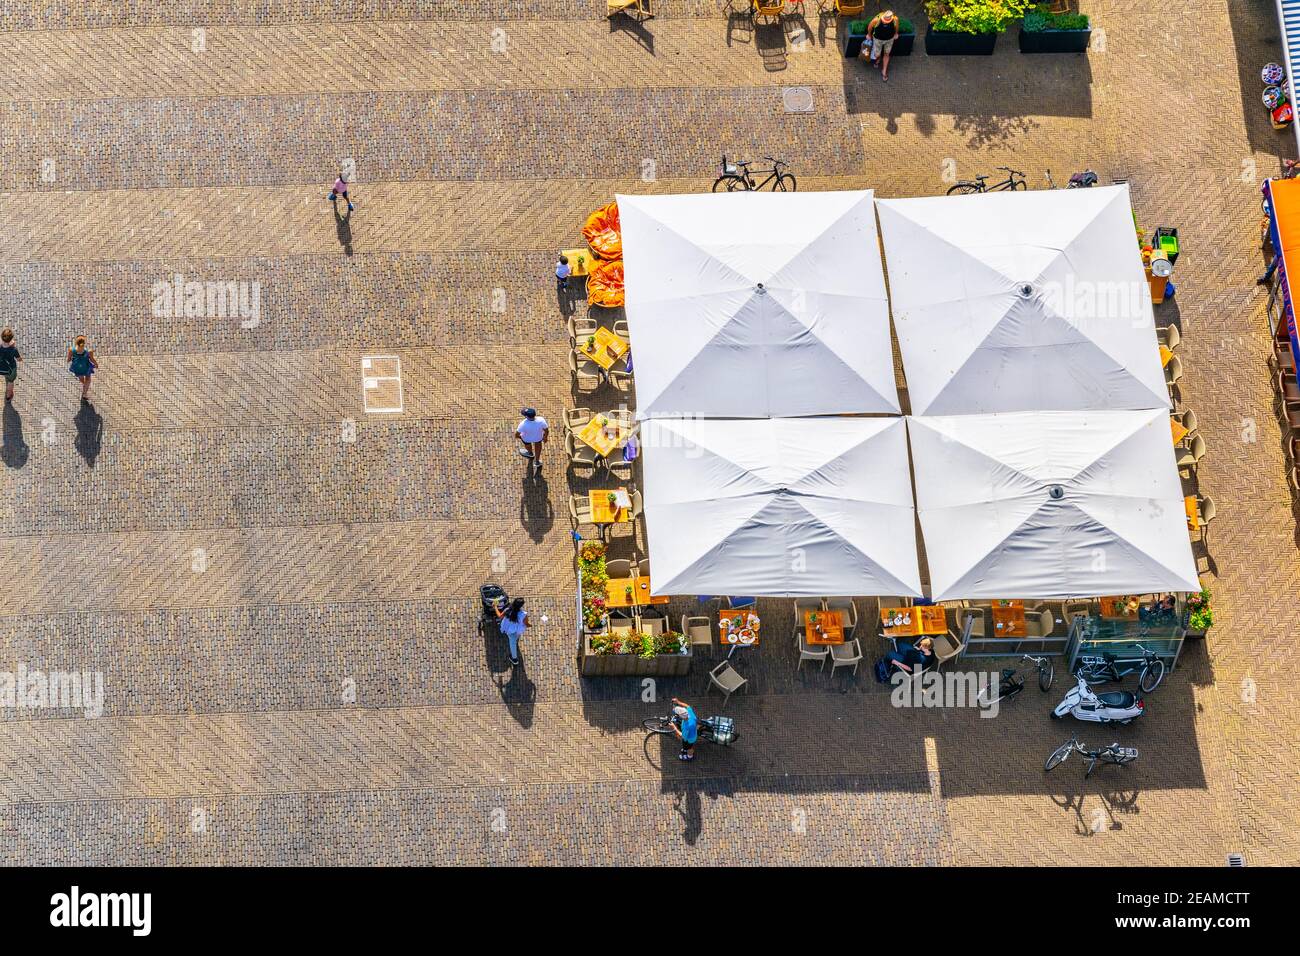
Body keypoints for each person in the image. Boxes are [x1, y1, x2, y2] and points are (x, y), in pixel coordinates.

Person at [860, 10, 899, 82]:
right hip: (878, 40)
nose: (885, 22)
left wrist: (896, 34)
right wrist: (869, 35)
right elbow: (870, 26)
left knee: (887, 53)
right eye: (884, 20)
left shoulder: (895, 19)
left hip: (889, 39)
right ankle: (878, 59)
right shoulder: (876, 20)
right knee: (876, 54)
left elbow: (896, 26)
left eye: (887, 21)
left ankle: (884, 71)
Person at [495, 597, 530, 666]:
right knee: (515, 639)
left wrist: (495, 607)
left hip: (509, 629)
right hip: (517, 629)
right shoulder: (523, 614)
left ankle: (515, 659)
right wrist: (530, 625)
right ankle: (514, 659)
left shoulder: (508, 610)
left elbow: (500, 616)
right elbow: (526, 623)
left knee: (512, 643)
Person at [515, 407, 549, 474]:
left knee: (527, 445)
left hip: (526, 439)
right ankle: (537, 461)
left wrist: (520, 437)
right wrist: (545, 438)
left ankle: (530, 453)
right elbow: (546, 430)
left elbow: (516, 435)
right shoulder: (541, 420)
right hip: (538, 438)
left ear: (526, 416)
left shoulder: (522, 424)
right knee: (538, 447)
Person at [67, 336, 98, 400]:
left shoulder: (71, 350)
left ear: (76, 343)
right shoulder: (89, 351)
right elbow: (92, 359)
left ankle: (84, 384)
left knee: (81, 378)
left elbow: (68, 360)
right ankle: (84, 393)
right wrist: (96, 364)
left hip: (77, 367)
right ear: (84, 343)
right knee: (88, 379)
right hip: (86, 367)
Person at [670, 697, 699, 761]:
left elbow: (682, 736)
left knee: (689, 748)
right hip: (693, 732)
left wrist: (674, 727)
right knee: (686, 747)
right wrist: (678, 702)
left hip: (690, 739)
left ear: (681, 716)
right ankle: (685, 749)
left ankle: (689, 756)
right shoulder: (690, 714)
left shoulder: (686, 727)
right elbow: (687, 706)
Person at [0, 328, 20, 402]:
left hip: (2, 368)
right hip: (11, 369)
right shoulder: (13, 349)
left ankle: (7, 380)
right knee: (11, 382)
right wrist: (13, 346)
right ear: (11, 339)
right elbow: (19, 359)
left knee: (6, 376)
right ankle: (8, 396)